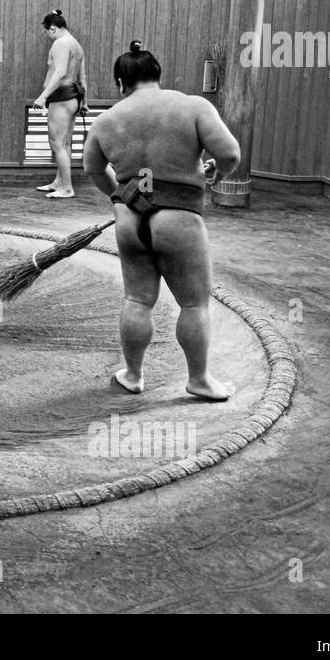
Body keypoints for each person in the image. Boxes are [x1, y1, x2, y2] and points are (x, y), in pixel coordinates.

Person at [82, 40, 241, 401]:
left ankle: (133, 375)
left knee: (137, 300)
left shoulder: (106, 121)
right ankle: (199, 380)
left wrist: (119, 196)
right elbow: (230, 153)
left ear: (121, 84)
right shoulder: (193, 106)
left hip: (129, 221)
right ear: (157, 75)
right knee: (194, 303)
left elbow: (93, 168)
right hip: (178, 219)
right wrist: (216, 171)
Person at [31, 10, 87, 199]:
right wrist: (84, 102)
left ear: (53, 28)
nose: (47, 36)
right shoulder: (77, 46)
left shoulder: (61, 43)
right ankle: (60, 182)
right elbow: (83, 79)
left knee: (57, 143)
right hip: (73, 97)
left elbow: (60, 72)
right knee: (65, 143)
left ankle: (67, 188)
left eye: (47, 32)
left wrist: (43, 97)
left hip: (62, 98)